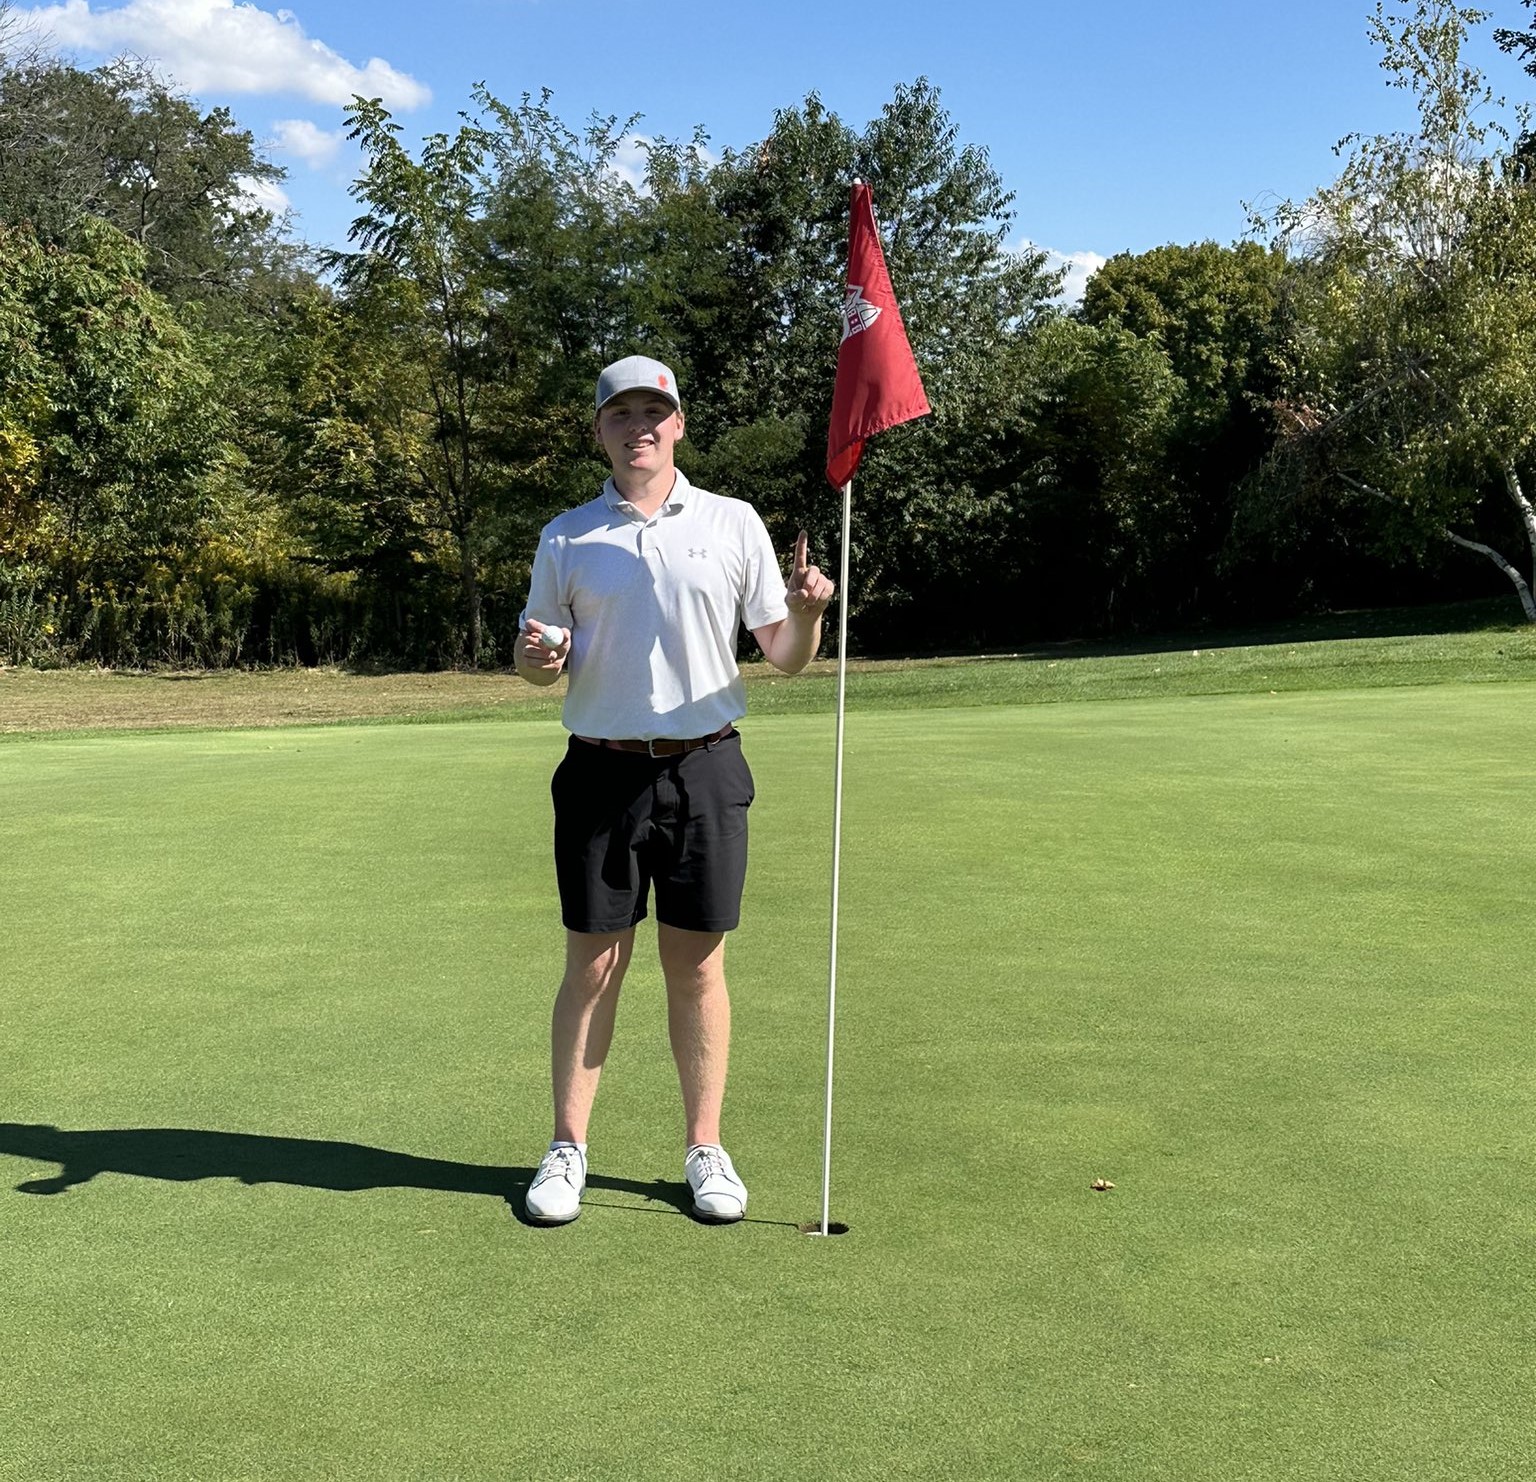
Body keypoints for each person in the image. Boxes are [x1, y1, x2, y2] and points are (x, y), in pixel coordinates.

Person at [514, 355, 834, 1226]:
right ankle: (567, 1149)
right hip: (599, 767)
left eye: (656, 410)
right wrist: (538, 659)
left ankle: (704, 1149)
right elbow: (540, 657)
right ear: (601, 431)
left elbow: (784, 655)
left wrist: (806, 614)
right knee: (593, 963)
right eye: (622, 414)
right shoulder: (568, 535)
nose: (640, 426)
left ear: (680, 424)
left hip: (705, 766)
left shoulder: (731, 524)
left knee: (697, 967)